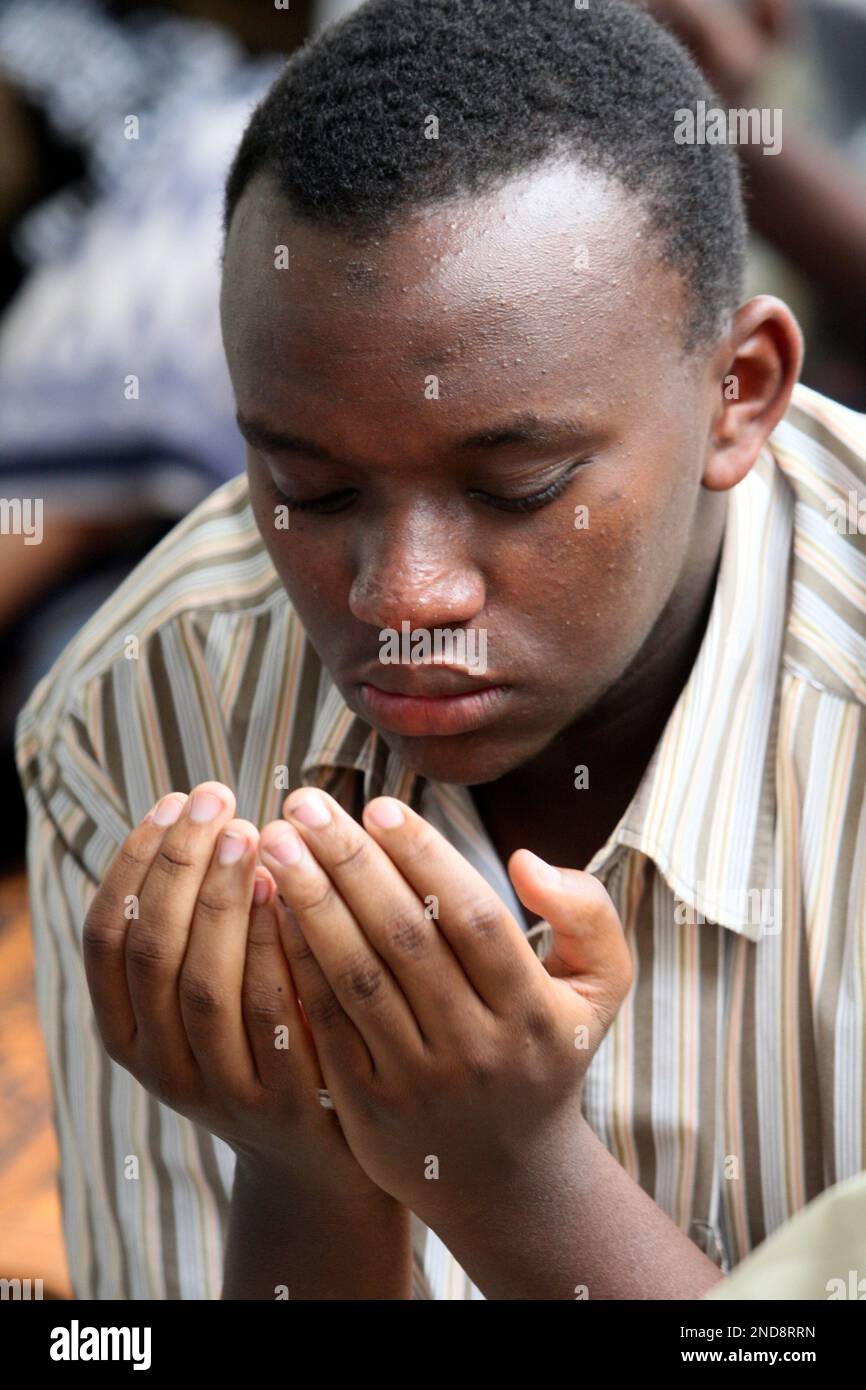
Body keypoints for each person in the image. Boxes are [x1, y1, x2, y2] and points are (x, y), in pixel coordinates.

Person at [15, 0, 866, 1299]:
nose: (403, 595)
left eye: (518, 485)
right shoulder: (145, 715)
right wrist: (304, 1176)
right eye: (312, 486)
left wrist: (504, 1175)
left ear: (736, 391)